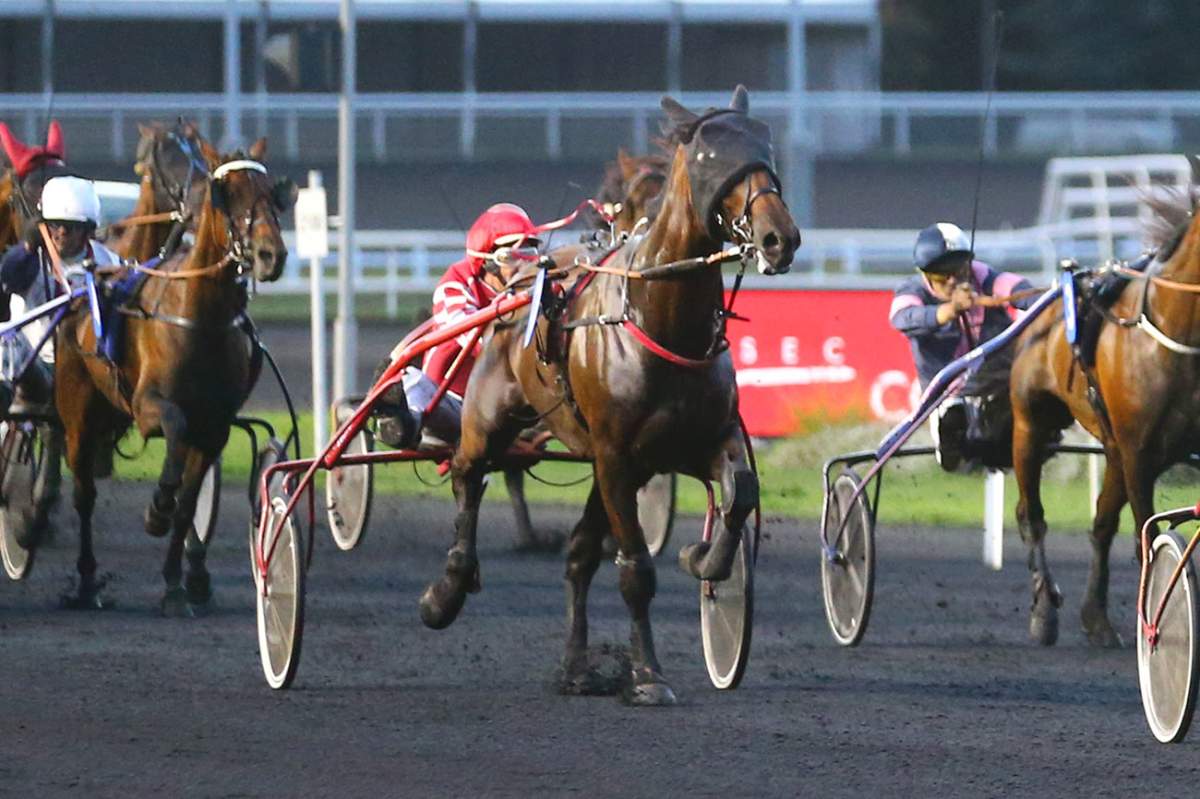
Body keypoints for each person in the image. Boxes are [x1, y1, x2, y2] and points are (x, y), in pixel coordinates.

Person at [375, 203, 544, 448]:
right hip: (450, 402)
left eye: (529, 254)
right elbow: (476, 340)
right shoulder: (455, 284)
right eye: (512, 256)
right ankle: (404, 421)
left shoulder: (535, 288)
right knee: (411, 380)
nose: (525, 266)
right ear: (488, 262)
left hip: (504, 405)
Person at [889, 222, 1038, 471]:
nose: (953, 280)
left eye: (959, 270)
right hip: (946, 395)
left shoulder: (985, 277)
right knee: (954, 418)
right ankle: (953, 445)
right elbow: (901, 318)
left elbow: (1020, 290)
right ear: (925, 275)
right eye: (942, 275)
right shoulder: (912, 290)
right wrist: (949, 310)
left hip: (999, 387)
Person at [0, 175, 122, 409]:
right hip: (32, 363)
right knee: (6, 340)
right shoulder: (30, 258)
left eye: (72, 227)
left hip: (86, 369)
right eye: (55, 224)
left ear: (87, 230)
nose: (62, 232)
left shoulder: (109, 261)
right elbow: (8, 277)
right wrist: (26, 246)